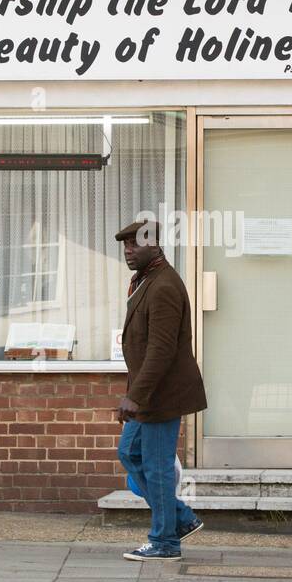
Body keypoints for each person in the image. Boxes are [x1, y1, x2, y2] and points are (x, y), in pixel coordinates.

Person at [114, 219, 208, 561]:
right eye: (124, 246)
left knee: (155, 466)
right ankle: (179, 518)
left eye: (134, 245)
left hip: (161, 396)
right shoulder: (146, 281)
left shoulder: (164, 285)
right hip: (147, 394)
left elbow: (161, 350)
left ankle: (165, 541)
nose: (128, 251)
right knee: (130, 453)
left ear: (154, 246)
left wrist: (135, 396)